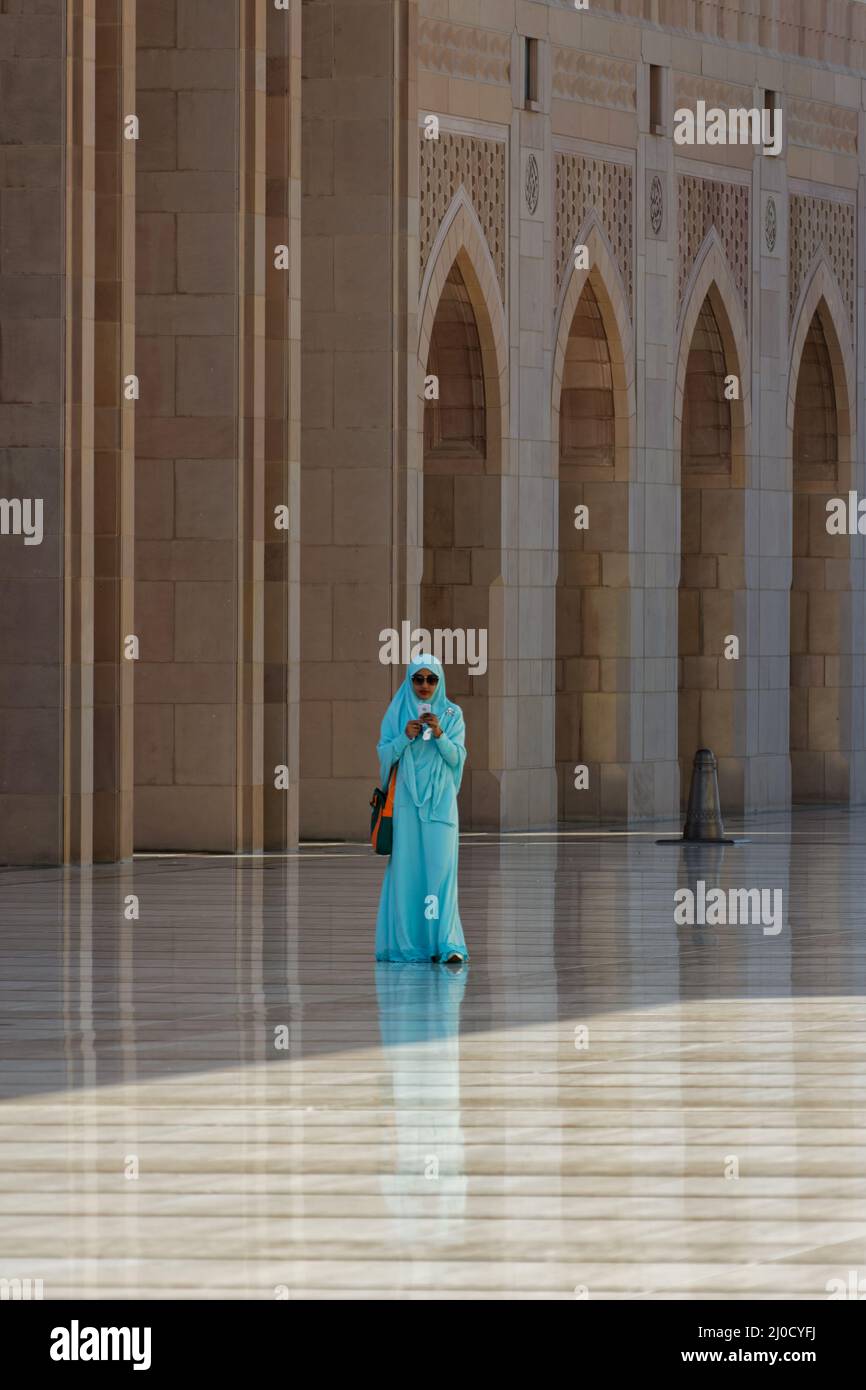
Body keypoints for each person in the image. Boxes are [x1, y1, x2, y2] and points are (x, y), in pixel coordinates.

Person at [374, 654, 469, 963]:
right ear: (409, 680)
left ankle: (447, 944)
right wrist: (405, 737)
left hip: (440, 805)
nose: (425, 686)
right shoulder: (397, 711)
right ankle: (411, 944)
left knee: (441, 874)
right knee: (408, 874)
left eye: (432, 679)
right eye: (418, 679)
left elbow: (457, 759)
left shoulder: (453, 714)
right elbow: (384, 755)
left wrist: (439, 734)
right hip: (406, 806)